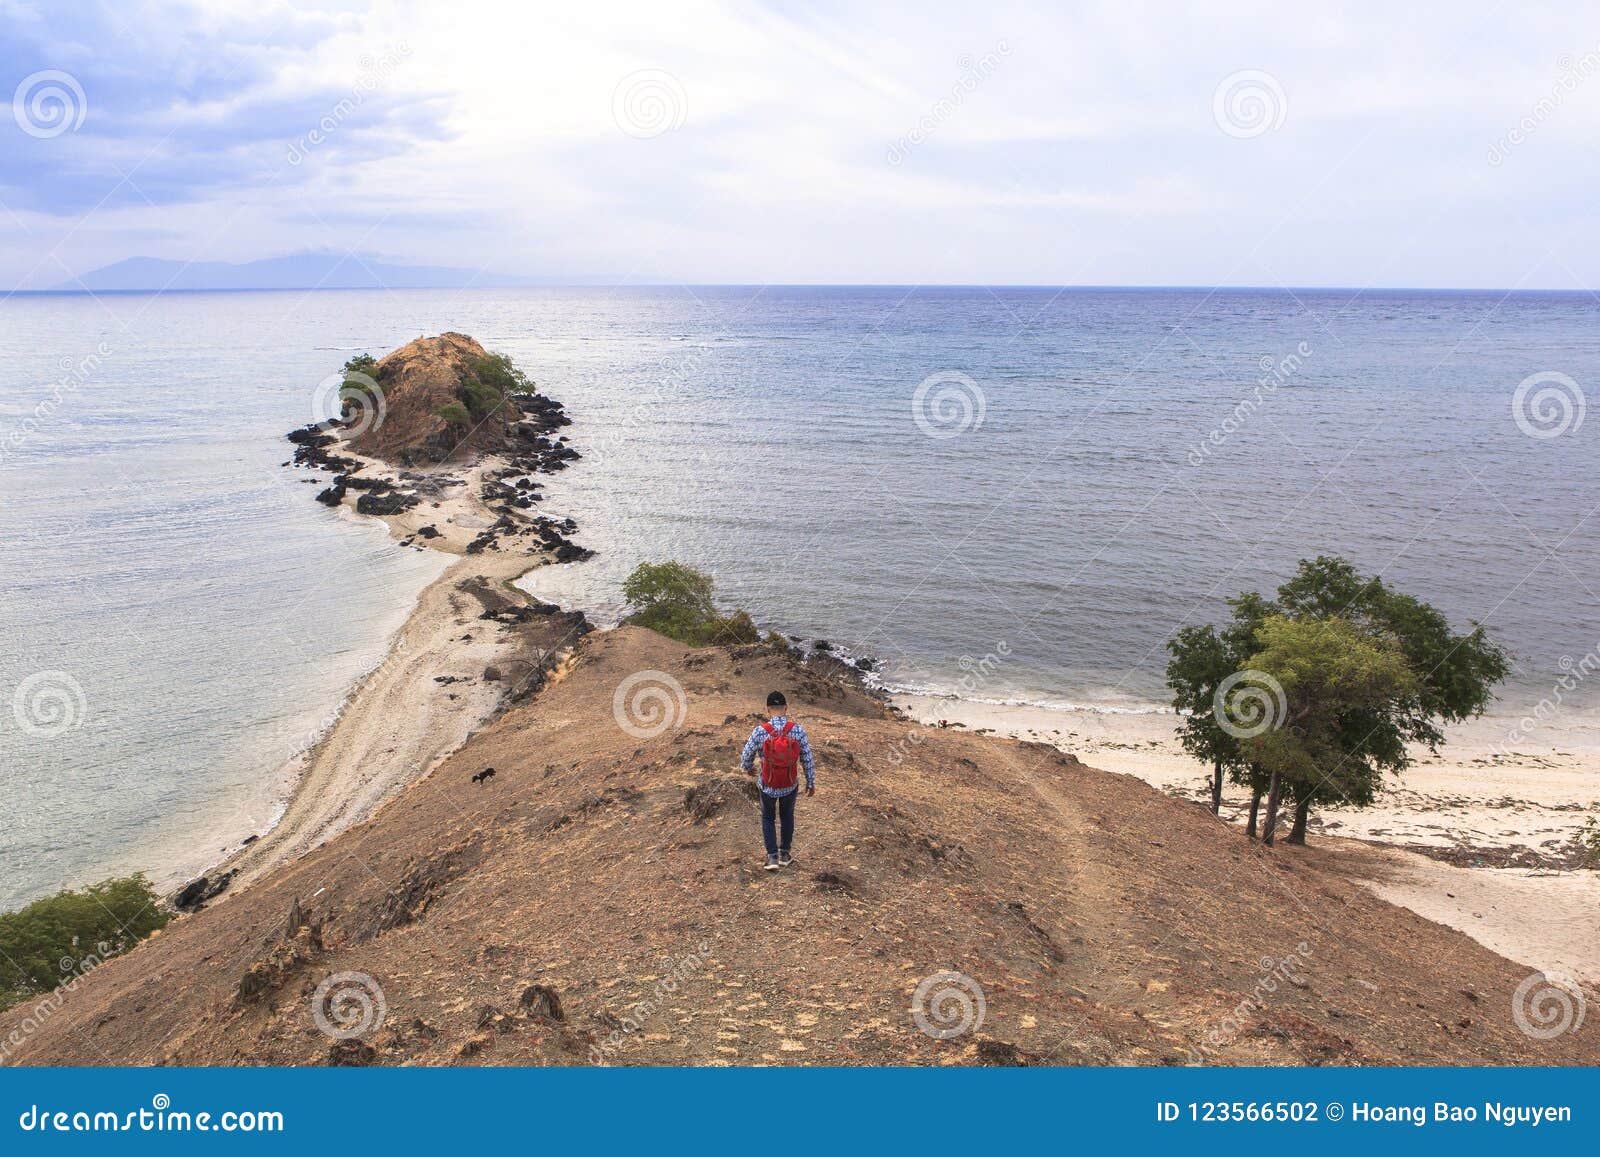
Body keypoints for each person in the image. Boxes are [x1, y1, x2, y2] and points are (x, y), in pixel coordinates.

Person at [739, 691, 816, 870]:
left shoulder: (760, 731)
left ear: (768, 709)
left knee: (768, 817)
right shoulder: (797, 730)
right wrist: (810, 782)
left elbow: (746, 755)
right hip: (790, 784)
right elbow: (807, 758)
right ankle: (785, 854)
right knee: (787, 816)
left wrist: (748, 767)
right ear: (786, 708)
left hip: (767, 784)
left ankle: (772, 857)